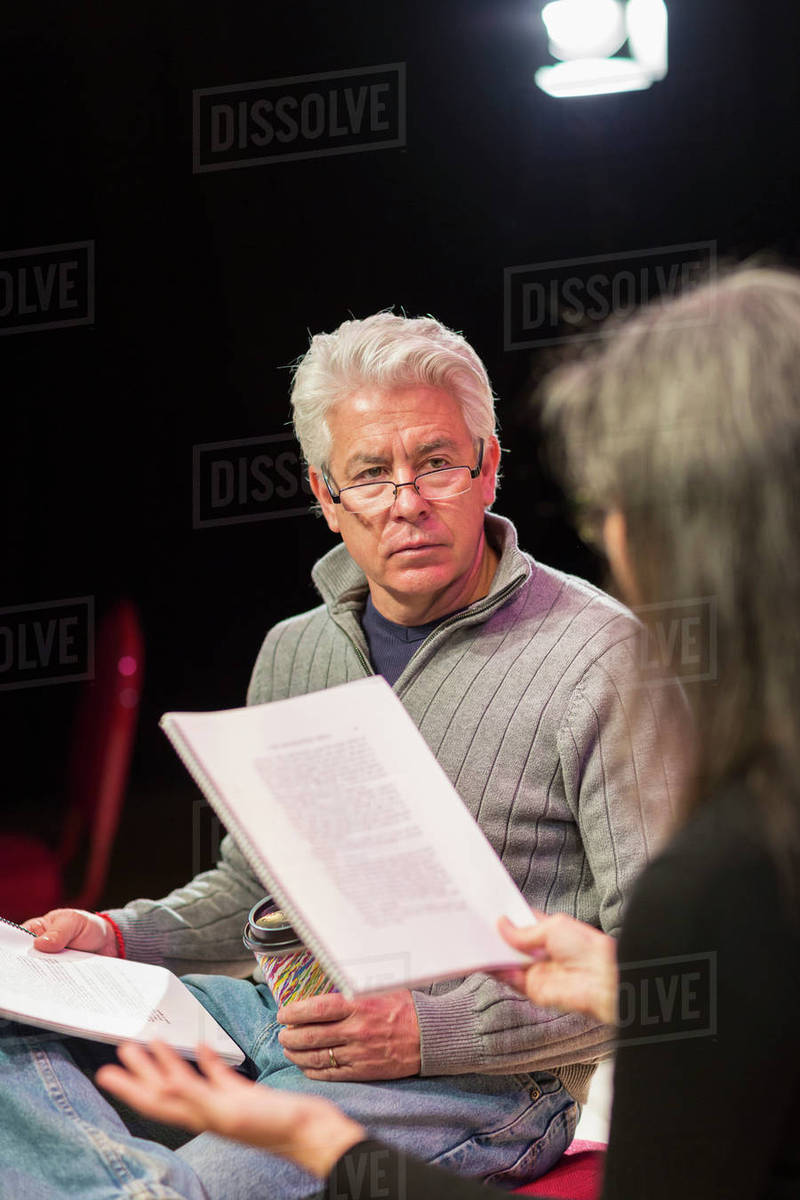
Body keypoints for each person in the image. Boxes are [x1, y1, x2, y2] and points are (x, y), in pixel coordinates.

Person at [97, 268, 800, 1199]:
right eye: (370, 474)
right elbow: (251, 882)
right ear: (324, 492)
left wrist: (431, 1032)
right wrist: (116, 935)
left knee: (167, 1192)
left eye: (435, 463)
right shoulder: (292, 651)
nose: (405, 501)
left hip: (482, 1085)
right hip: (282, 1019)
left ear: (489, 466)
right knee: (17, 1054)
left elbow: (667, 977)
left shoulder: (604, 661)